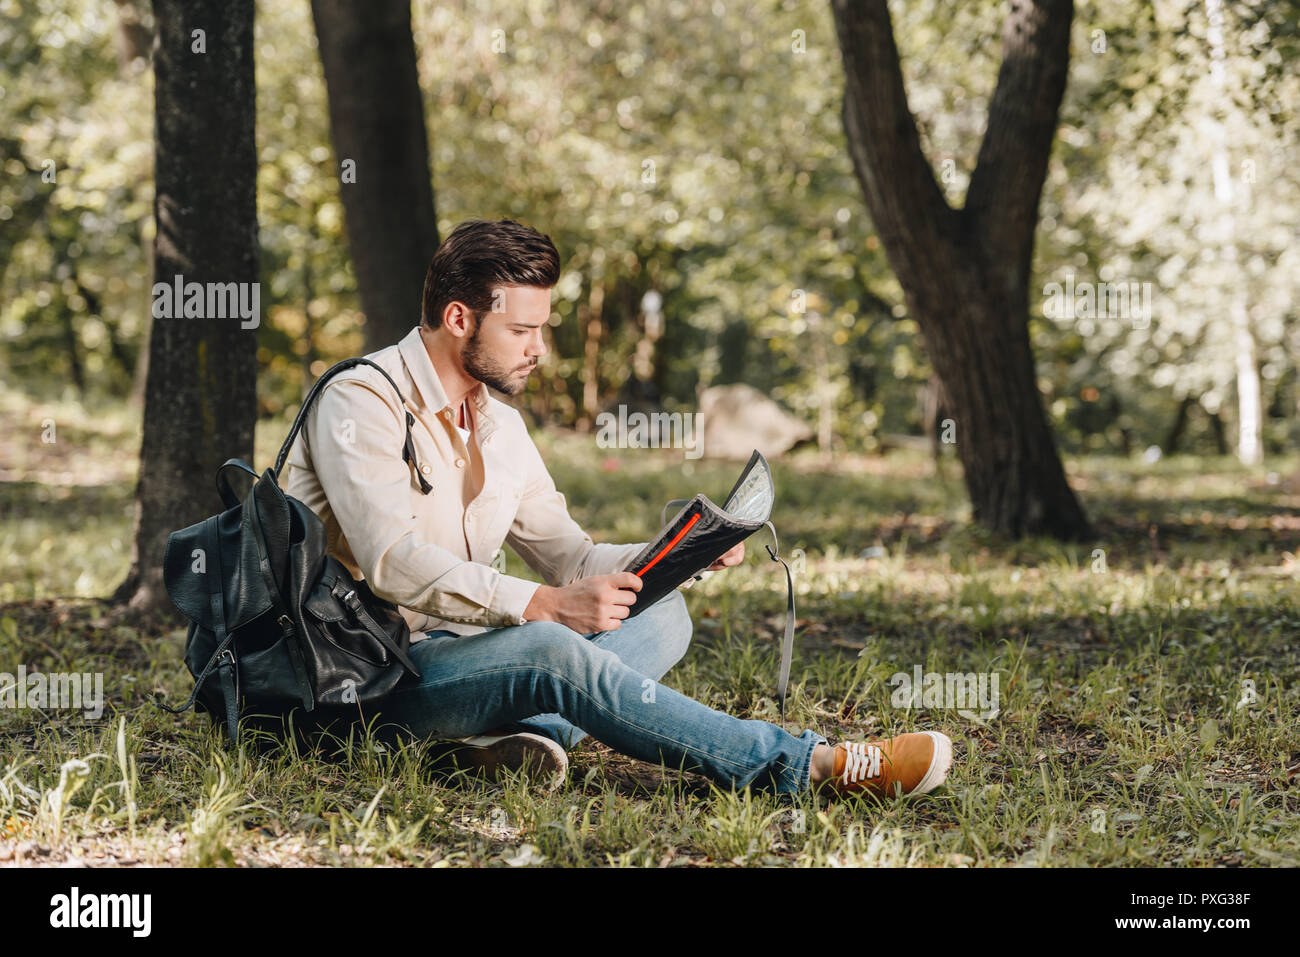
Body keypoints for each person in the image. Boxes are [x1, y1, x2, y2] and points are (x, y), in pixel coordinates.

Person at [284, 218, 954, 799]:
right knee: (548, 646)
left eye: (542, 328)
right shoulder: (360, 401)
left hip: (453, 656)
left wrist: (677, 553)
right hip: (357, 685)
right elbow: (392, 561)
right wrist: (542, 604)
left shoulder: (501, 427)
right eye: (521, 330)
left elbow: (571, 557)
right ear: (460, 318)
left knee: (660, 613)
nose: (539, 349)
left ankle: (511, 747)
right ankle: (810, 762)